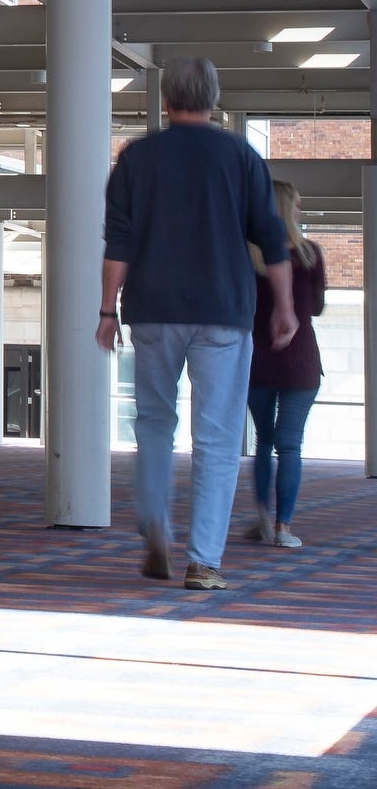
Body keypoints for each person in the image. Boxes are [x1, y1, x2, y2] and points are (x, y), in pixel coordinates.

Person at [98, 56, 295, 590]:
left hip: (155, 308)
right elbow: (271, 237)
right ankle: (204, 561)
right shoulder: (241, 156)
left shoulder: (136, 158)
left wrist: (106, 310)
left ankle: (155, 522)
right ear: (214, 98)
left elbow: (119, 241)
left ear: (166, 99)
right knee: (218, 436)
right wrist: (283, 305)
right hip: (223, 312)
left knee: (155, 423)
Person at [248, 178, 326, 550]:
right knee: (290, 445)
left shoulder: (248, 255)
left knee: (264, 441)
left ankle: (263, 517)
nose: (300, 209)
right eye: (296, 203)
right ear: (286, 207)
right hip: (300, 360)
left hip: (257, 359)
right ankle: (283, 527)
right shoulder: (309, 254)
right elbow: (316, 307)